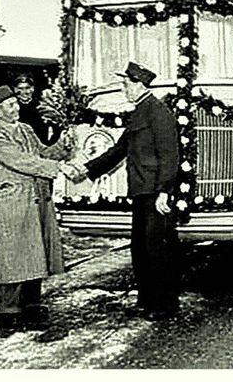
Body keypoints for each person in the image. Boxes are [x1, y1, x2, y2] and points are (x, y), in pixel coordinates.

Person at [71, 62, 181, 320]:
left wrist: (165, 191)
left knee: (157, 249)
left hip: (155, 192)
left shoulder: (158, 112)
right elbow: (118, 151)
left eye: (126, 84)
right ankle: (147, 300)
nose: (124, 89)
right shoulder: (139, 112)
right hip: (142, 190)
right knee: (141, 248)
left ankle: (164, 305)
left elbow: (169, 155)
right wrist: (86, 170)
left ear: (140, 84)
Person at [0, 85, 78, 329]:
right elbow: (21, 161)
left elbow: (43, 153)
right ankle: (9, 307)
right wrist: (57, 169)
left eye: (16, 103)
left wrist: (62, 146)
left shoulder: (25, 129)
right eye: (10, 105)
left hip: (36, 197)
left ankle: (32, 302)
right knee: (14, 253)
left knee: (36, 250)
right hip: (14, 200)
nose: (16, 108)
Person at [14, 73, 59, 146]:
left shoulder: (42, 106)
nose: (25, 92)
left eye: (27, 88)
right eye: (21, 88)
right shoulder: (11, 107)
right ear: (15, 89)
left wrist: (49, 144)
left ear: (33, 88)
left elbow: (56, 127)